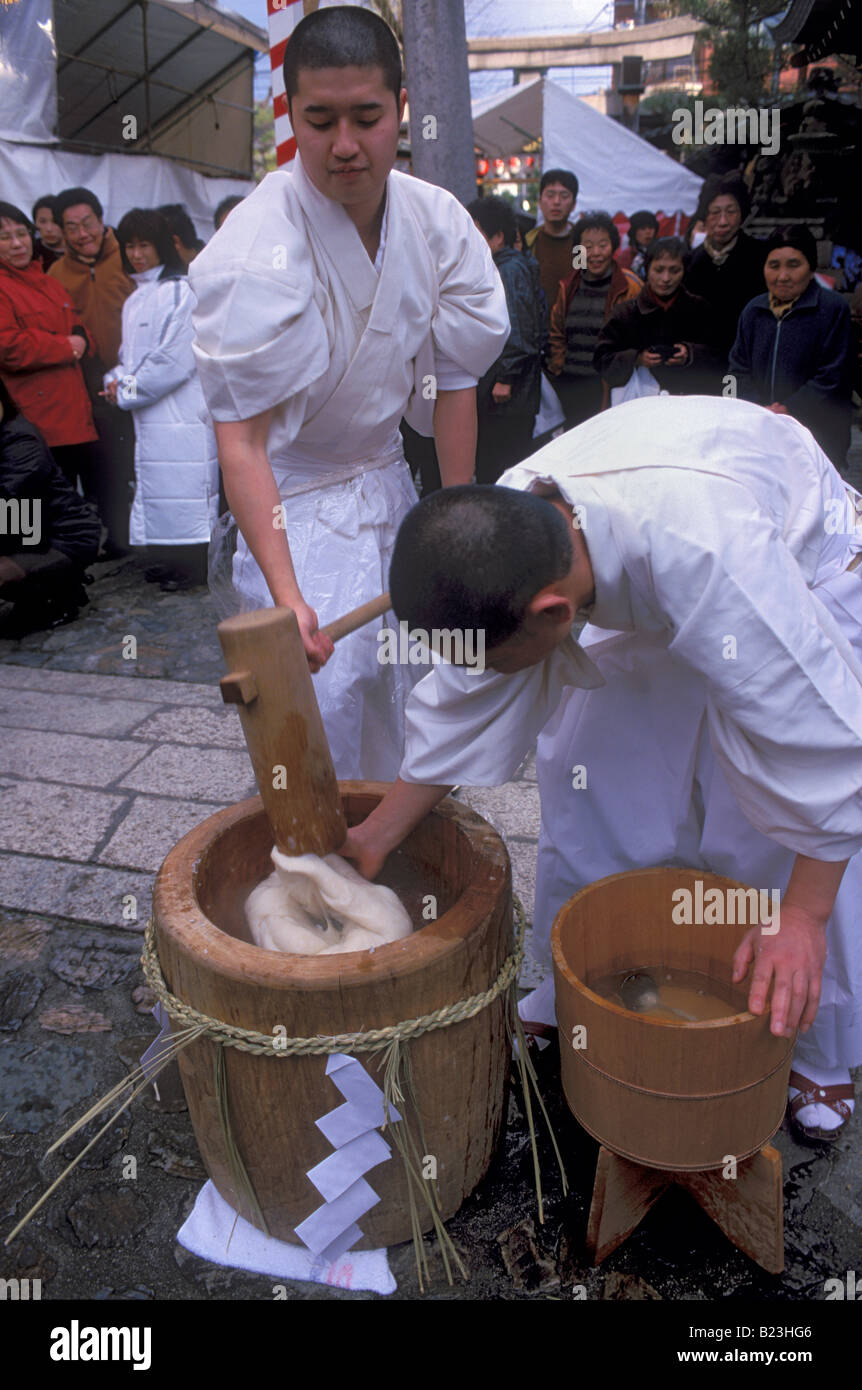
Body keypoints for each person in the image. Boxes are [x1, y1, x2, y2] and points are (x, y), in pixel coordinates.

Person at [342, 395, 862, 1143]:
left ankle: (815, 1038)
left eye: (501, 659)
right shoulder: (511, 526)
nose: (491, 676)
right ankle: (574, 986)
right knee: (586, 773)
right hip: (650, 560)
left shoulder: (718, 558)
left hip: (804, 569)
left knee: (761, 822)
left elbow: (819, 741)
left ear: (555, 613)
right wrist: (377, 835)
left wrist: (805, 915)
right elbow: (468, 693)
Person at [189, 6, 507, 781]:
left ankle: (398, 858)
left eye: (366, 117)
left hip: (387, 484)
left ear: (400, 108)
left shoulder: (437, 223)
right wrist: (288, 593)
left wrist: (454, 523)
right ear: (291, 114)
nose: (344, 146)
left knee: (411, 694)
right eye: (319, 119)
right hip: (292, 508)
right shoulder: (256, 249)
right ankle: (317, 874)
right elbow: (243, 441)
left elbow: (456, 377)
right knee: (317, 718)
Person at [103, 210, 219, 592]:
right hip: (151, 413)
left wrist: (126, 392)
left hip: (181, 412)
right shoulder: (135, 299)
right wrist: (115, 381)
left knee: (185, 487)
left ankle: (194, 567)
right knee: (162, 488)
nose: (136, 254)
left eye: (144, 245)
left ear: (163, 247)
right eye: (130, 246)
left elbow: (174, 361)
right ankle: (172, 560)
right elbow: (129, 358)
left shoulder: (181, 292)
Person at [49, 187, 136, 556]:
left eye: (88, 223)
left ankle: (163, 532)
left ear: (102, 221)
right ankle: (118, 535)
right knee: (108, 460)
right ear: (61, 233)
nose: (82, 234)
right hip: (93, 382)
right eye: (72, 227)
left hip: (142, 373)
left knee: (147, 455)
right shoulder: (55, 274)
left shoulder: (131, 255)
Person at [729, 226, 853, 472]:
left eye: (793, 265)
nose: (783, 276)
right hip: (761, 432)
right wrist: (754, 410)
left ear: (811, 268)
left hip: (819, 437)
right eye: (774, 266)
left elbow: (832, 377)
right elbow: (733, 373)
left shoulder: (832, 309)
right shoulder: (753, 311)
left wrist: (788, 410)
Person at [0, 200, 100, 494]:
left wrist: (80, 341)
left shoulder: (50, 283)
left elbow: (84, 336)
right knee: (29, 517)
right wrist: (67, 346)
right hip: (35, 424)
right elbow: (9, 347)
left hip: (76, 421)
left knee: (72, 511)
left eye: (21, 234)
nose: (18, 244)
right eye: (5, 237)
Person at [0, 377, 100, 638]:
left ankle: (62, 595)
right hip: (24, 531)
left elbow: (8, 495)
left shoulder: (21, 440)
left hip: (66, 538)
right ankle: (37, 594)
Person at [467, 197, 544, 484]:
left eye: (476, 232)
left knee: (501, 470)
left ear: (497, 237)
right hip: (509, 392)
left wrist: (506, 379)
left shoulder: (508, 270)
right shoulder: (510, 265)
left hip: (508, 394)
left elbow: (520, 331)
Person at [595, 236, 723, 399]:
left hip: (691, 402)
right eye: (659, 270)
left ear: (684, 271)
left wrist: (690, 354)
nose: (666, 279)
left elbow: (721, 355)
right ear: (647, 270)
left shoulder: (700, 309)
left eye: (674, 270)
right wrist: (637, 358)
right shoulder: (626, 313)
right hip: (641, 404)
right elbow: (601, 359)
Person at [546, 211, 641, 427]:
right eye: (588, 246)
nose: (596, 253)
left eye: (603, 245)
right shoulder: (569, 286)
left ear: (614, 246)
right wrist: (559, 365)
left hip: (608, 386)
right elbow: (557, 331)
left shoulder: (630, 285)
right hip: (570, 384)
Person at [684, 172, 765, 360]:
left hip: (747, 361)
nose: (723, 221)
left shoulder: (760, 257)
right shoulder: (687, 263)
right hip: (698, 366)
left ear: (742, 214)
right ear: (704, 215)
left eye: (731, 211)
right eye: (715, 212)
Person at [525, 170, 578, 326]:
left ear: (574, 204)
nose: (556, 202)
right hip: (537, 328)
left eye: (564, 196)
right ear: (540, 202)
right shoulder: (529, 243)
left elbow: (583, 279)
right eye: (550, 195)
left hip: (571, 327)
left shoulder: (580, 243)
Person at [615, 210, 659, 279]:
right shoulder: (625, 256)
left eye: (651, 228)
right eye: (643, 228)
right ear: (634, 231)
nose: (648, 232)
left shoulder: (661, 252)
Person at [31, 196, 65, 271]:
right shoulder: (31, 252)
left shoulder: (78, 249)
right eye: (43, 221)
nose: (49, 229)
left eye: (55, 221)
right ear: (35, 224)